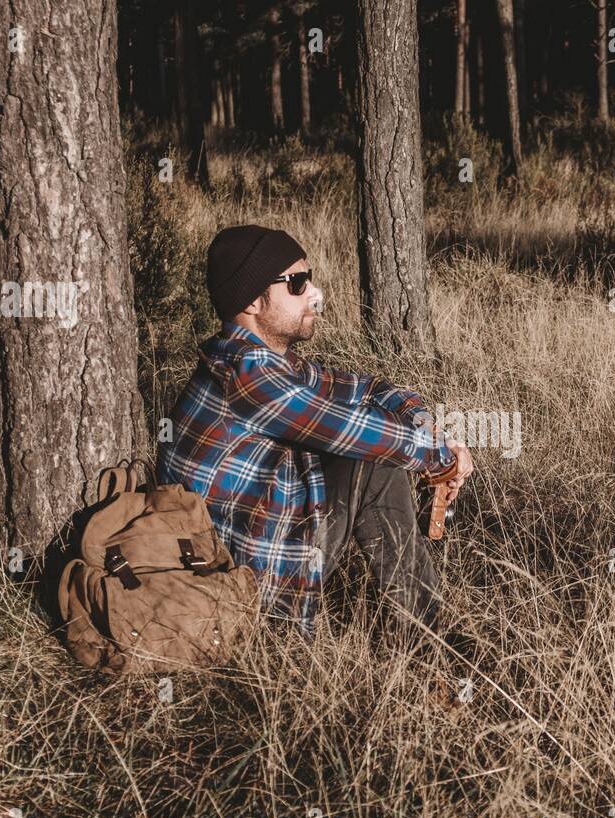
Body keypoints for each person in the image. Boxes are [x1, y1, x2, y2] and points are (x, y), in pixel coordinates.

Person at [157, 224, 474, 644]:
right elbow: (350, 430)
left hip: (255, 551)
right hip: (240, 593)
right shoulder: (248, 375)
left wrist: (427, 426)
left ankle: (428, 635)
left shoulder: (266, 363)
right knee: (373, 463)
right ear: (253, 300)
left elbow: (369, 390)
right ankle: (433, 642)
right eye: (298, 283)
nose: (315, 294)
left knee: (374, 455)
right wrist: (441, 458)